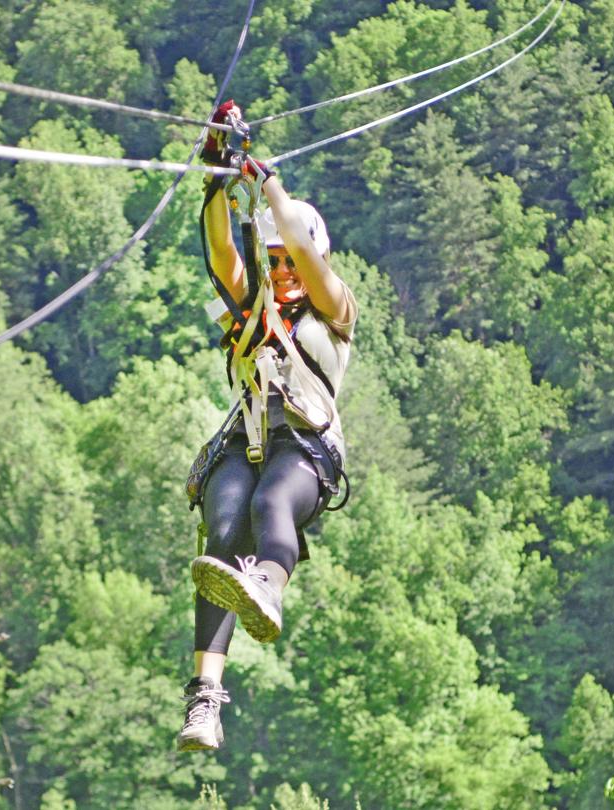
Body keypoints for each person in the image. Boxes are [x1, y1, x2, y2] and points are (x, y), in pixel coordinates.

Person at [177, 102, 358, 752]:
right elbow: (220, 250)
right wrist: (218, 179)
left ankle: (269, 589)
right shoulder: (247, 311)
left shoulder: (334, 310)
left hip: (307, 448)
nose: (283, 273)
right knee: (222, 529)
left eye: (290, 265)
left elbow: (304, 251)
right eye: (273, 262)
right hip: (246, 440)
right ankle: (204, 698)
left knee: (272, 502)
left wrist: (267, 181)